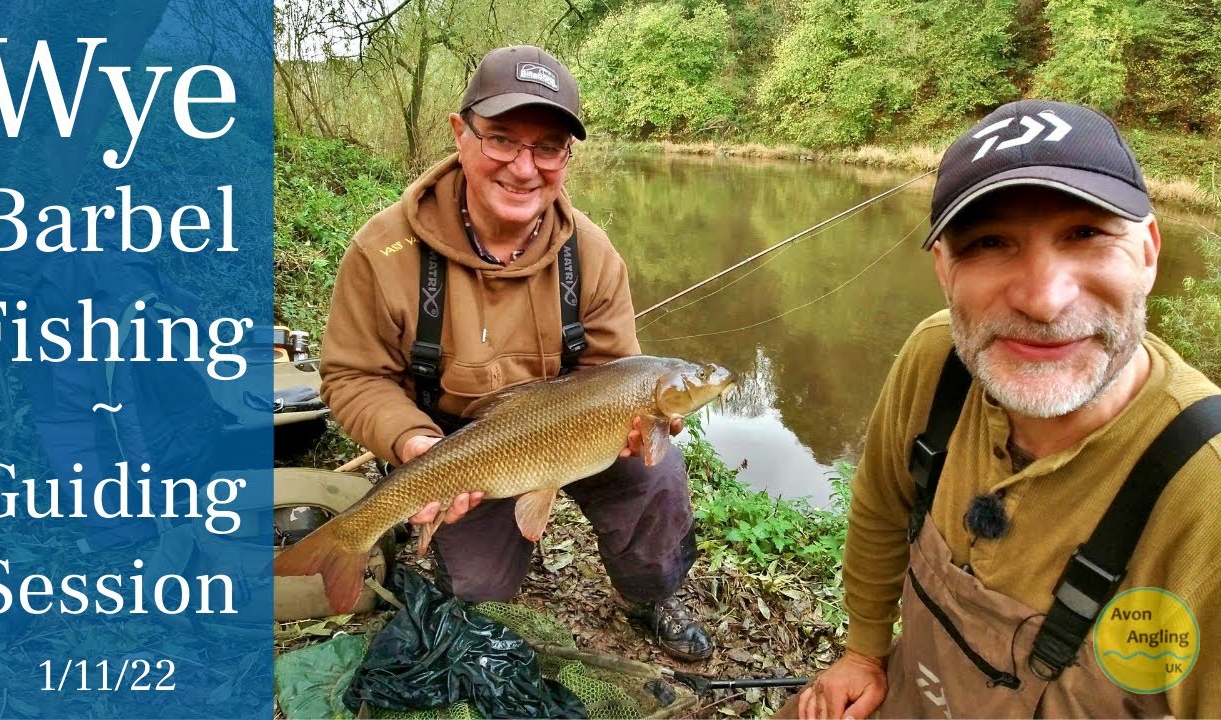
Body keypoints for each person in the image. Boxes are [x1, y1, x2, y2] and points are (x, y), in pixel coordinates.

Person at [780, 99, 1221, 719]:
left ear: (1148, 251)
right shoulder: (938, 362)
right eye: (990, 242)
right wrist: (864, 653)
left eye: (1086, 233)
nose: (1043, 300)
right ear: (943, 269)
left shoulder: (1207, 496)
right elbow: (882, 507)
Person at [319, 45, 713, 662]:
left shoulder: (593, 253)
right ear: (461, 132)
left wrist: (642, 430)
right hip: (451, 444)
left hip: (575, 426)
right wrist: (411, 443)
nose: (524, 168)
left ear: (566, 156)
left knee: (658, 474)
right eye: (501, 139)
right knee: (478, 590)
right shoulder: (383, 251)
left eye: (548, 146)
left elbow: (614, 375)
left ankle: (650, 595)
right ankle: (359, 539)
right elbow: (353, 376)